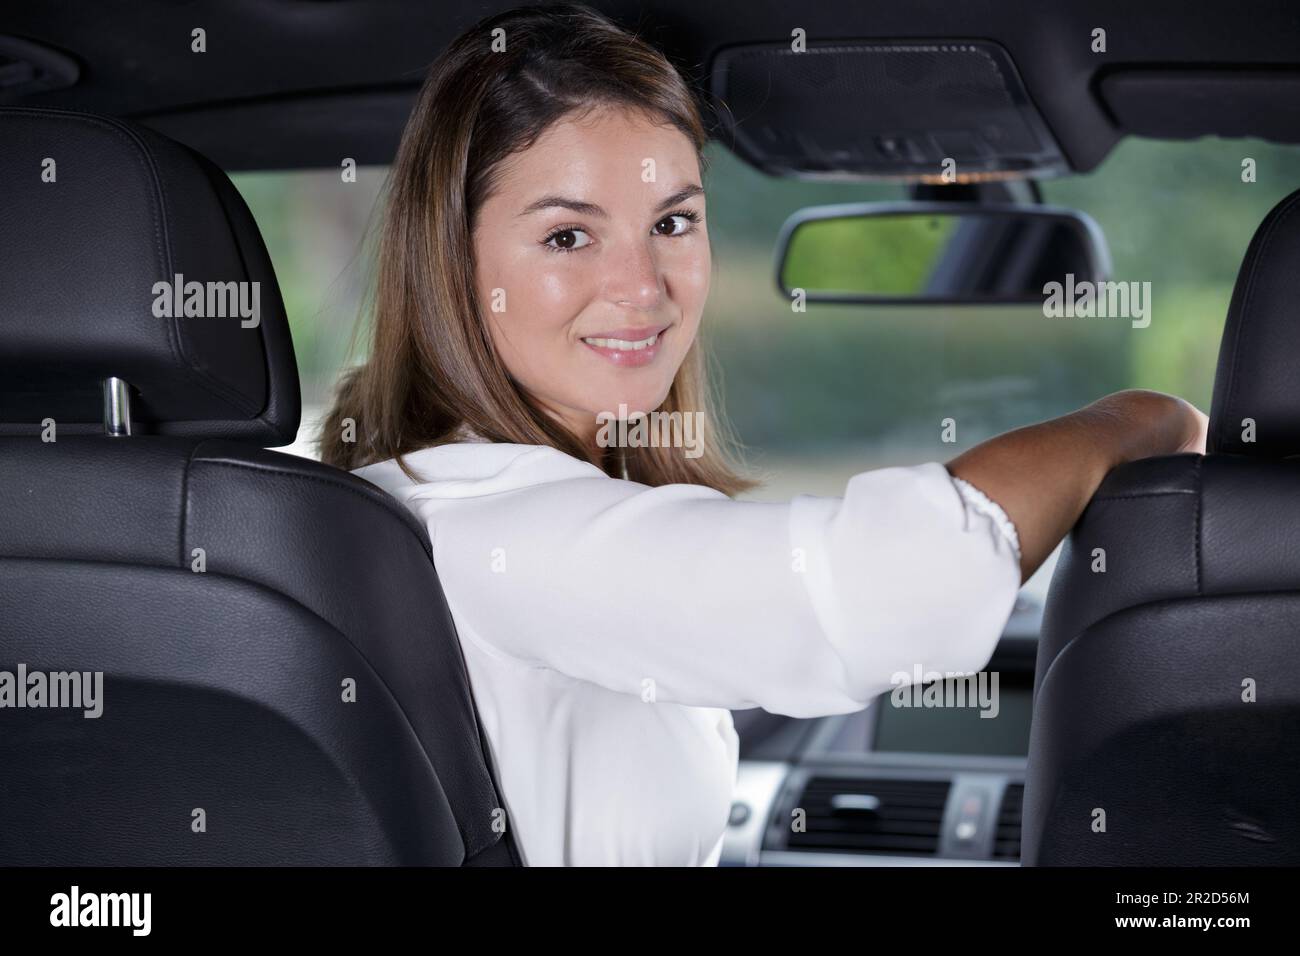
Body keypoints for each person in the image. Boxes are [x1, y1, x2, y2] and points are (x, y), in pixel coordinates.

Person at [318, 3, 1208, 866]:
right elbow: (903, 582)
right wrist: (1137, 420)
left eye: (672, 222)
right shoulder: (498, 529)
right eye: (567, 236)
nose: (643, 287)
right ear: (452, 260)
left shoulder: (423, 494)